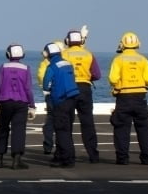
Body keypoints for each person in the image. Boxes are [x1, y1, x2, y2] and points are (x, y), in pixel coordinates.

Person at [108, 31, 148, 165]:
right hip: (140, 97)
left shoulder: (118, 59)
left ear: (122, 44)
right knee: (143, 128)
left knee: (121, 128)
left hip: (124, 97)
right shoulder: (143, 60)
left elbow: (113, 79)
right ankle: (146, 158)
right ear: (138, 44)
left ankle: (122, 158)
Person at [0, 44, 36, 169]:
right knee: (19, 130)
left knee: (3, 129)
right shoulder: (26, 68)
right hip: (21, 103)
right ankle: (16, 160)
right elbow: (28, 89)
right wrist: (32, 105)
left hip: (5, 102)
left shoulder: (3, 67)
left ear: (8, 55)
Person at [62, 27, 102, 163]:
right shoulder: (88, 54)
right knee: (87, 123)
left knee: (67, 122)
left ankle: (69, 155)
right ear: (81, 41)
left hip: (68, 89)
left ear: (67, 41)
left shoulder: (64, 54)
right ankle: (93, 155)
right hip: (85, 89)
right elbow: (96, 74)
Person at [42, 42, 80, 168]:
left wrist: (49, 94)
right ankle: (62, 156)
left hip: (60, 100)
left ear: (47, 54)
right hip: (72, 99)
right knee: (67, 130)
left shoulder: (52, 67)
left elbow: (46, 85)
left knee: (61, 131)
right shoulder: (68, 64)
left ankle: (67, 159)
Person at [36, 44, 56, 155]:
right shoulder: (65, 62)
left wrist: (46, 88)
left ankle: (48, 146)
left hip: (51, 95)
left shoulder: (45, 64)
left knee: (50, 121)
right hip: (65, 95)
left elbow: (41, 78)